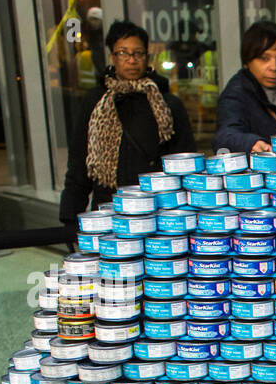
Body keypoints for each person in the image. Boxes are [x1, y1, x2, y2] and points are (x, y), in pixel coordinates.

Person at [59, 20, 194, 229]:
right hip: (108, 211)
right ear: (112, 57)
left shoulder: (167, 103)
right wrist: (69, 215)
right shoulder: (96, 101)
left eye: (138, 53)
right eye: (123, 53)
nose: (131, 60)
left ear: (147, 57)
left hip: (155, 213)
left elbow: (184, 161)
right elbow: (79, 162)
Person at [214, 20, 276, 154]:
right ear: (247, 60)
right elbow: (225, 136)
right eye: (264, 58)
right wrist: (251, 143)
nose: (274, 67)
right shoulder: (236, 94)